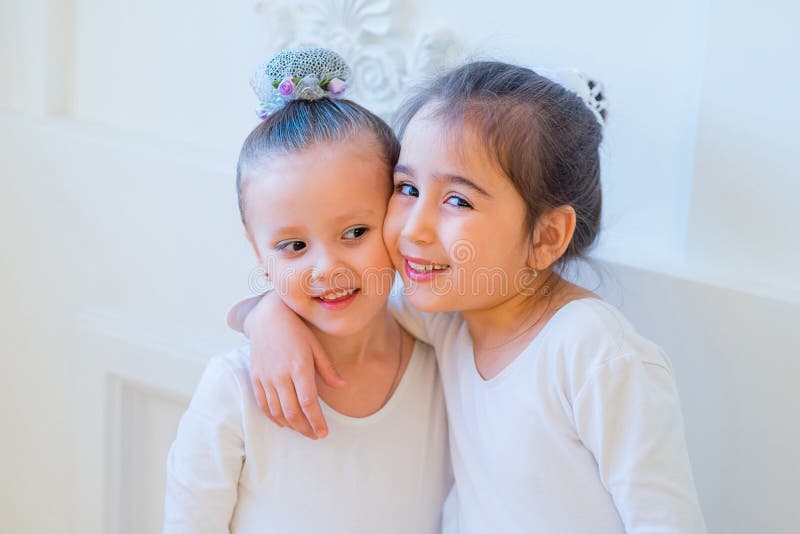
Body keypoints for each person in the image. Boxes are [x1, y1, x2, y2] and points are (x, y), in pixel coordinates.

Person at [231, 60, 707, 533]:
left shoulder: (594, 354)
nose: (414, 228)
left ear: (546, 236)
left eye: (458, 200)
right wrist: (269, 317)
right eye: (407, 188)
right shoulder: (448, 322)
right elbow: (334, 301)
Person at [163, 47, 452, 534]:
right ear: (258, 253)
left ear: (396, 215)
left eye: (356, 233)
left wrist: (262, 314)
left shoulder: (444, 357)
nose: (328, 268)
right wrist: (264, 315)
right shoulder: (234, 390)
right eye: (294, 245)